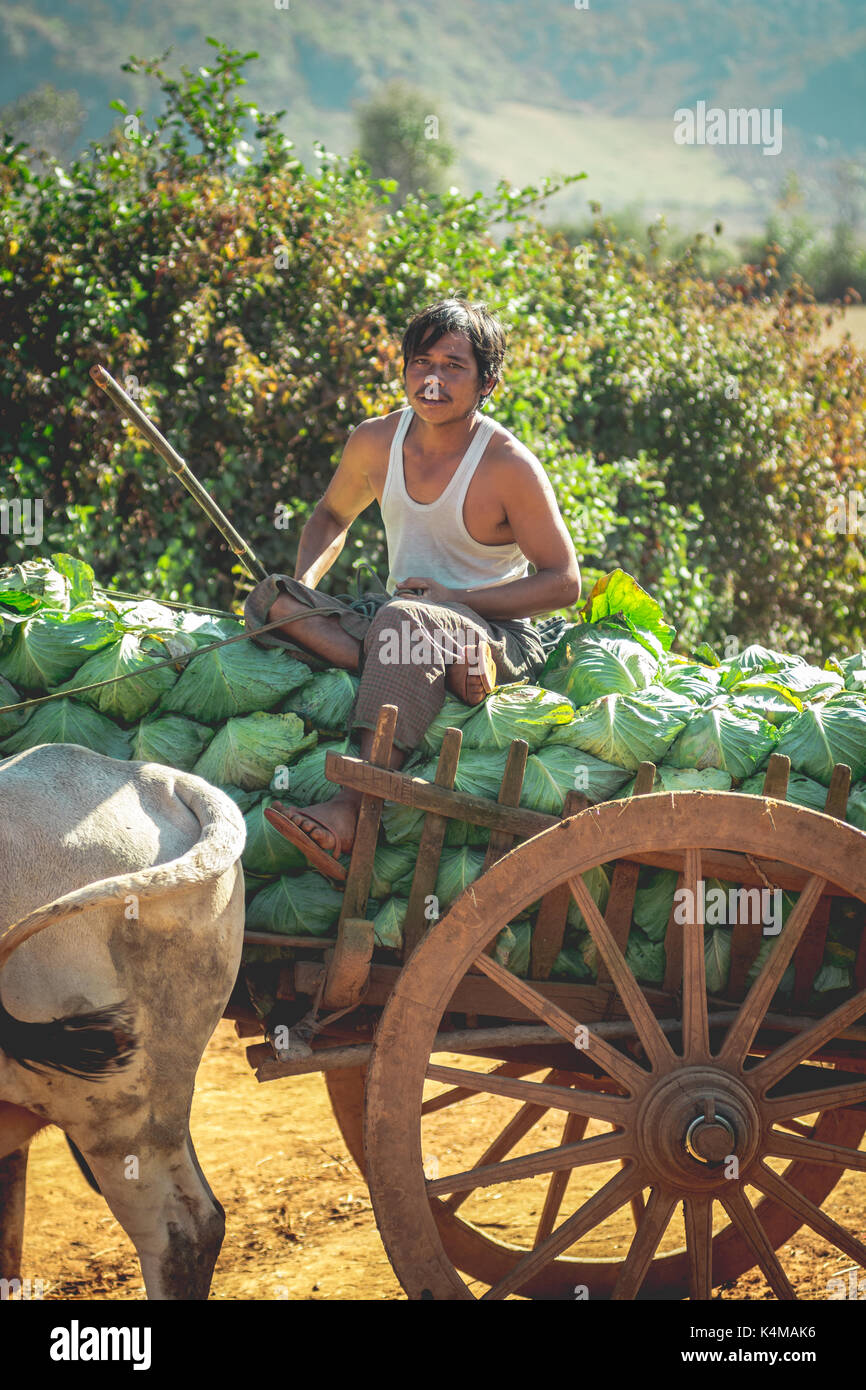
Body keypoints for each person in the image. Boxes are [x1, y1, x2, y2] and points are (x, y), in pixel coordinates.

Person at [244, 297, 581, 879]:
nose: (432, 380)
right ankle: (440, 669)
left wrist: (457, 601)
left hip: (494, 627)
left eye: (453, 366)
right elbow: (329, 518)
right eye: (421, 363)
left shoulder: (508, 465)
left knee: (404, 622)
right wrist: (305, 588)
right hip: (398, 616)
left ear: (487, 383)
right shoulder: (374, 441)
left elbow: (564, 582)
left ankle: (351, 806)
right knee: (271, 599)